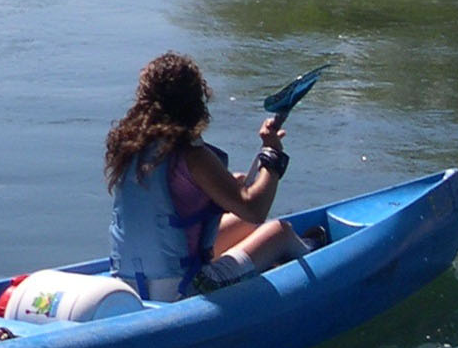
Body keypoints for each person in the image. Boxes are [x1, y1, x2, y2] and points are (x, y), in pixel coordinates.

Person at [106, 52, 312, 301]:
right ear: (195, 102)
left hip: (127, 283)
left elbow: (175, 200)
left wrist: (229, 185)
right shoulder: (193, 156)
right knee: (279, 231)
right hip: (183, 289)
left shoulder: (128, 150)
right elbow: (255, 209)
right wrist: (272, 154)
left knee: (244, 225)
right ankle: (317, 254)